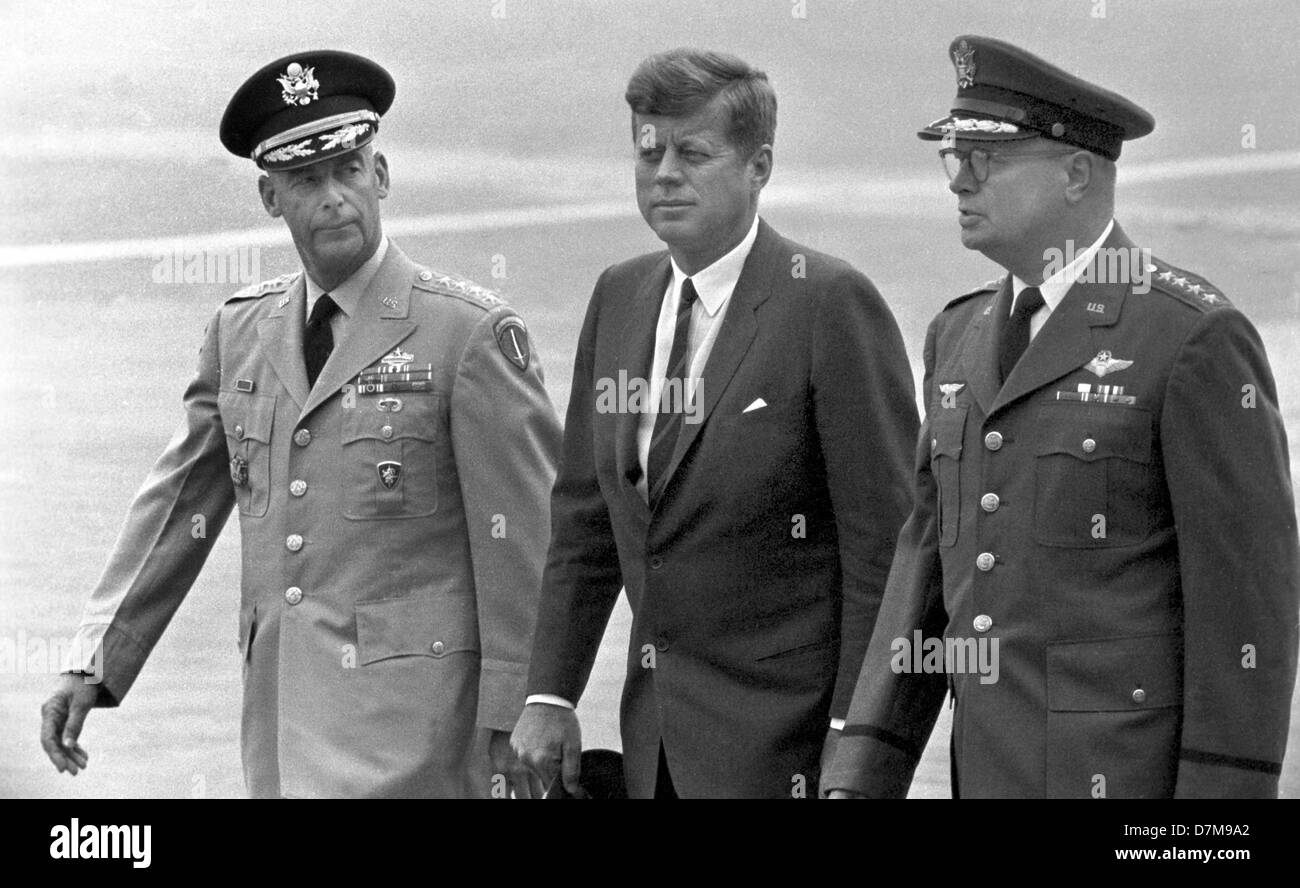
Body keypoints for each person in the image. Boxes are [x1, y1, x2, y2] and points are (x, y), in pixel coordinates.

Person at [38, 50, 563, 798]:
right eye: (307, 180)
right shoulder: (240, 333)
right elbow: (178, 508)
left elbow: (529, 542)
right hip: (280, 738)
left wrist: (523, 712)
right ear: (269, 197)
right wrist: (95, 660)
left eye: (349, 170)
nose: (335, 198)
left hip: (422, 743)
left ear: (380, 176)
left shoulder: (469, 336)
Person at [825, 35, 1299, 798]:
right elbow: (926, 573)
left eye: (988, 160)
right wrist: (864, 767)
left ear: (1077, 173)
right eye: (953, 158)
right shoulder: (958, 335)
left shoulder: (1187, 337)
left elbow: (1246, 606)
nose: (959, 182)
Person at [511, 48, 918, 798]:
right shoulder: (620, 296)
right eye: (648, 150)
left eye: (693, 153)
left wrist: (856, 745)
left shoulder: (828, 305)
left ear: (759, 165)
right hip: (654, 748)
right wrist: (550, 693)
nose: (665, 172)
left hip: (789, 753)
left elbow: (884, 553)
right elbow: (586, 521)